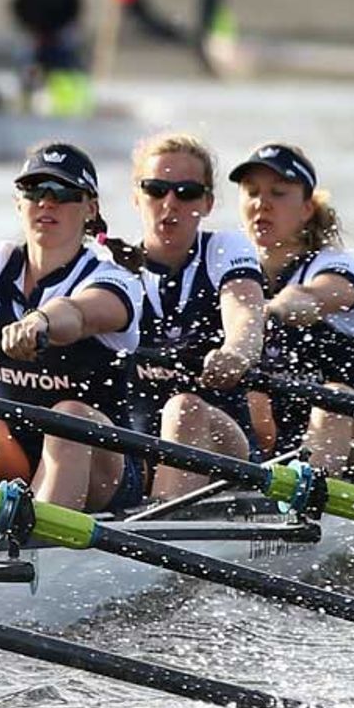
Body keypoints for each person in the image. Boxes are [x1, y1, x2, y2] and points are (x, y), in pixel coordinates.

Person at [0, 143, 145, 512]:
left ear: (90, 208)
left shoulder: (115, 278)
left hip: (102, 466)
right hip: (17, 456)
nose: (46, 202)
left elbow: (78, 315)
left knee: (69, 416)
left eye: (63, 193)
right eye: (34, 191)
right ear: (18, 202)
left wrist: (40, 321)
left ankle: (34, 537)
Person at [114, 134, 267, 501]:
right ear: (137, 197)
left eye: (186, 192)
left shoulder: (224, 249)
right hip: (139, 455)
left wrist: (236, 352)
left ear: (207, 203)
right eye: (156, 189)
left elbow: (245, 314)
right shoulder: (112, 268)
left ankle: (162, 519)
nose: (170, 203)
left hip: (225, 451)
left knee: (183, 409)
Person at [231, 143, 354, 475]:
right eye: (252, 192)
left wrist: (273, 310)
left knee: (333, 397)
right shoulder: (233, 271)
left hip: (347, 437)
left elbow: (312, 298)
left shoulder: (334, 265)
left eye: (278, 193)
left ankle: (314, 495)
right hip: (266, 435)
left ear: (307, 208)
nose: (262, 203)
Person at [8, 0, 86, 107]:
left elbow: (74, 8)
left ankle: (65, 105)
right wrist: (33, 30)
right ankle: (24, 101)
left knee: (70, 71)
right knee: (27, 67)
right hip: (32, 37)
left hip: (58, 37)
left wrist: (59, 31)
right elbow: (16, 8)